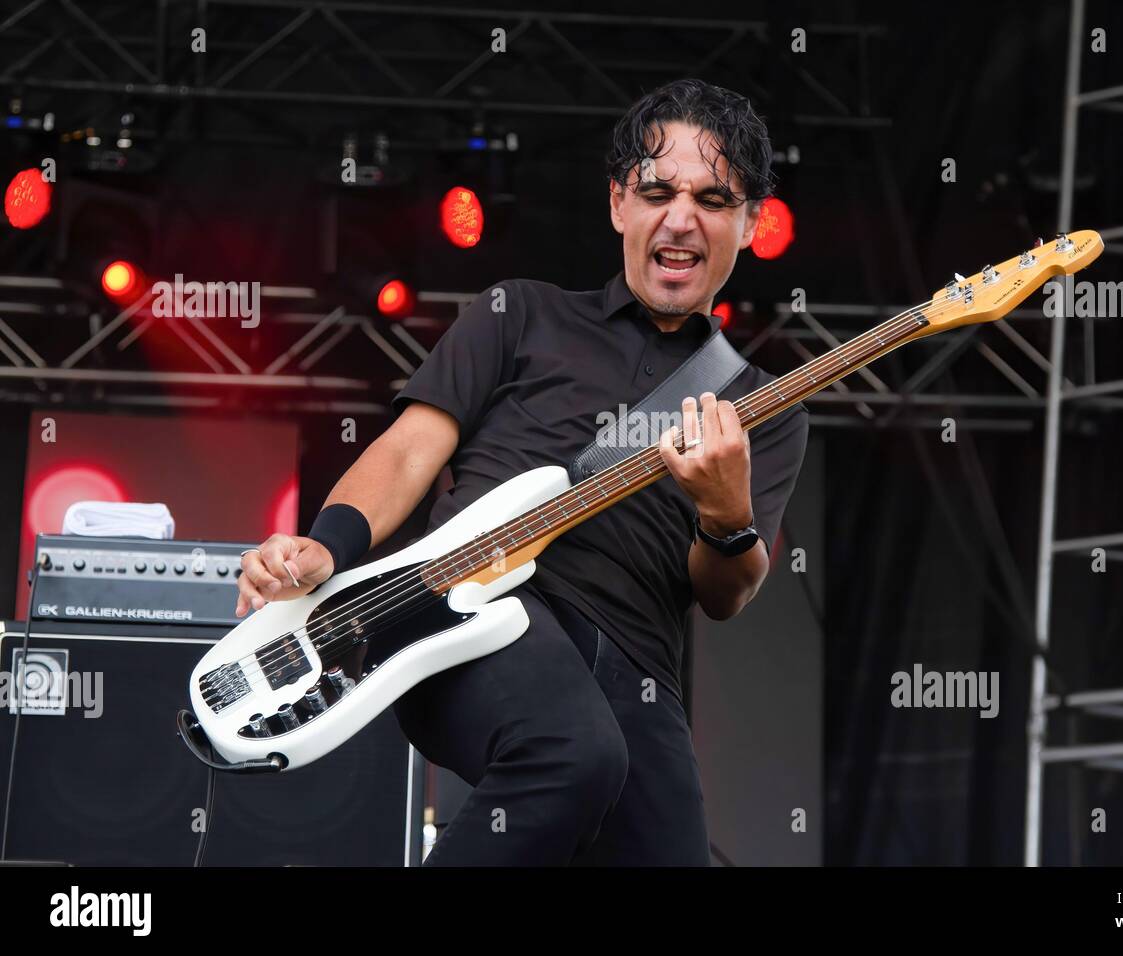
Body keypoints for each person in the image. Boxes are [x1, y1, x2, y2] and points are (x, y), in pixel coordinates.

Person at [234, 78, 809, 865]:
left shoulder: (764, 405)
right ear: (617, 204)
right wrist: (327, 548)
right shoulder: (520, 314)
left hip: (636, 668)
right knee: (573, 755)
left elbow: (725, 593)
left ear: (747, 224)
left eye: (713, 199)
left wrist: (724, 515)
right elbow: (407, 451)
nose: (681, 218)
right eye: (657, 191)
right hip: (468, 602)